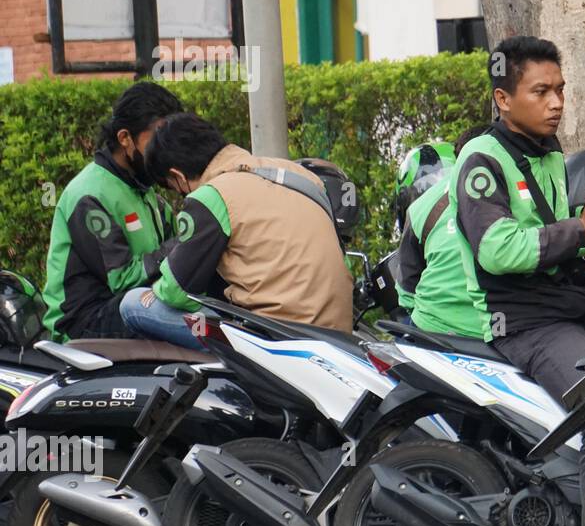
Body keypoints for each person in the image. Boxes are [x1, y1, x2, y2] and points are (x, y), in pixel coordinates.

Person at [438, 35, 585, 526]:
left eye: (560, 91)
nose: (556, 103)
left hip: (570, 310)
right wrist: (579, 231)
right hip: (525, 323)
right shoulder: (482, 162)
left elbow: (552, 241)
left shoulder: (548, 156)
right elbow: (498, 250)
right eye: (541, 92)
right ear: (504, 99)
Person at [118, 113, 353, 348]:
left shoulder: (212, 195)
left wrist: (157, 289)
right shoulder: (301, 174)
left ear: (178, 176)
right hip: (337, 333)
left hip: (273, 338)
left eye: (173, 187)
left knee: (134, 304)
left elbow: (176, 291)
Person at [42, 82, 184, 341]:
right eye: (157, 140)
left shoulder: (146, 191)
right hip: (84, 321)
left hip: (134, 302)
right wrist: (183, 244)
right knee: (199, 329)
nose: (166, 152)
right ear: (124, 138)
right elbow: (122, 280)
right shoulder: (89, 195)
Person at [394, 127, 491, 331]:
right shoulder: (524, 196)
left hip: (434, 330)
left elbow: (407, 294)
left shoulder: (420, 208)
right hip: (503, 332)